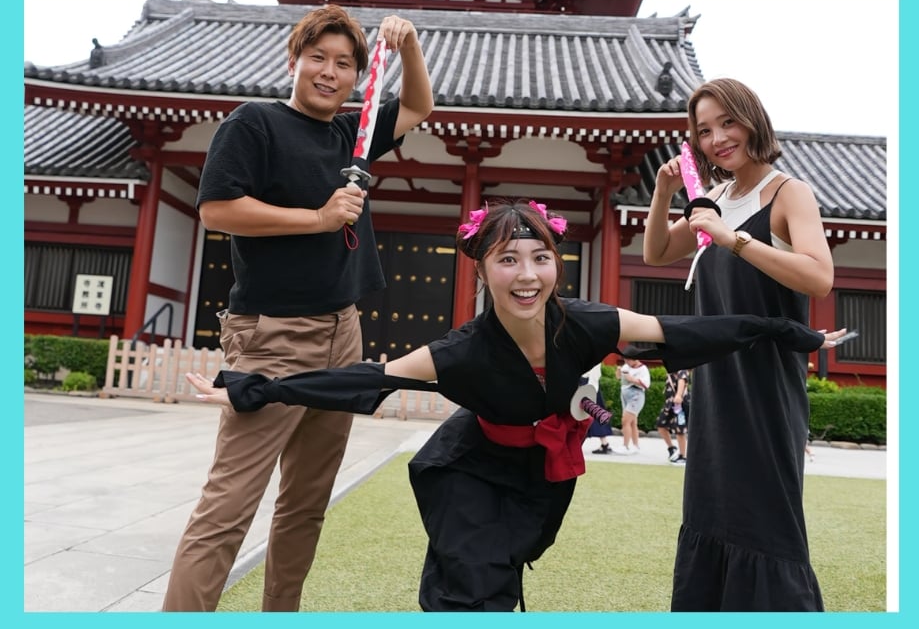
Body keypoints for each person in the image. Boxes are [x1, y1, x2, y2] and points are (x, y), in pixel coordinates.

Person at [187, 199, 844, 612]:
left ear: (556, 265)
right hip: (468, 465)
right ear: (482, 271)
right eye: (508, 260)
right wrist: (255, 386)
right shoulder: (459, 353)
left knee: (495, 575)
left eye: (539, 258)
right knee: (471, 582)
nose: (526, 275)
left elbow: (688, 333)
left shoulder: (585, 324)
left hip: (539, 475)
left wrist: (793, 333)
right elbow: (365, 380)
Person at [162, 5, 434, 612]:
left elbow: (418, 107)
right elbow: (217, 210)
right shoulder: (254, 124)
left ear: (358, 76)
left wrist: (410, 46)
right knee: (231, 503)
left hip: (344, 330)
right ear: (294, 61)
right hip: (274, 335)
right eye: (319, 58)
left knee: (307, 501)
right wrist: (317, 218)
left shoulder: (350, 133)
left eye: (344, 64)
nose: (330, 72)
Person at [642, 77, 838, 611]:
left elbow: (820, 277)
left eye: (727, 122)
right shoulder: (716, 198)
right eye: (703, 131)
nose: (717, 139)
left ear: (752, 119)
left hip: (766, 384)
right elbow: (657, 252)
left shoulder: (788, 192)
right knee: (712, 509)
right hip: (715, 383)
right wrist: (664, 195)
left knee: (767, 515)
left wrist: (733, 237)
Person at [615, 348, 650, 455]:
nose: (627, 362)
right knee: (633, 422)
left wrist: (633, 379)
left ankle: (625, 446)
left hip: (636, 395)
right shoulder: (626, 367)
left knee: (625, 421)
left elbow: (646, 384)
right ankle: (635, 446)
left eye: (628, 360)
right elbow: (620, 379)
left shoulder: (643, 369)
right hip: (625, 395)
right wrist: (618, 373)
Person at [656, 368, 691, 465]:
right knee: (660, 424)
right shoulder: (671, 371)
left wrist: (679, 395)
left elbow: (682, 380)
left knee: (680, 429)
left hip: (680, 404)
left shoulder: (682, 370)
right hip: (669, 404)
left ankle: (683, 455)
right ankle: (671, 448)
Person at [582, 364, 613, 454]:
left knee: (596, 413)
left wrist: (591, 390)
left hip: (589, 384)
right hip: (584, 382)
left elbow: (595, 372)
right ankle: (604, 443)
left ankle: (604, 443)